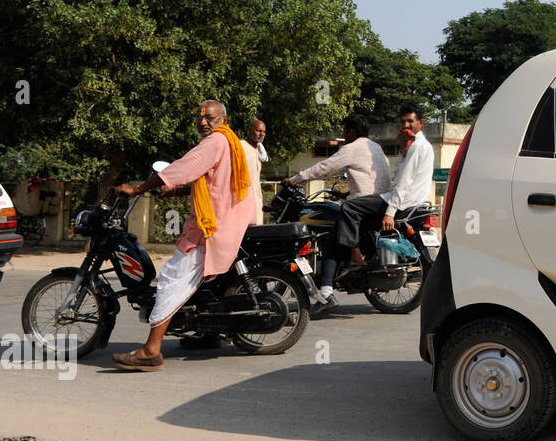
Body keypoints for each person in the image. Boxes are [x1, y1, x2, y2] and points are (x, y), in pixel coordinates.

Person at [110, 100, 255, 371]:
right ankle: (205, 333)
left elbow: (182, 167)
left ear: (223, 119)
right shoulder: (230, 141)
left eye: (209, 117)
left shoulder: (215, 141)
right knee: (192, 283)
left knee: (171, 280)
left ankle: (151, 351)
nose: (203, 122)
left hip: (209, 228)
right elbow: (212, 182)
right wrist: (177, 191)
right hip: (224, 221)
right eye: (199, 117)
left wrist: (137, 189)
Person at [320, 106, 434, 312]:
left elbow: (404, 183)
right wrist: (402, 149)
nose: (406, 125)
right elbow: (399, 178)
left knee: (349, 208)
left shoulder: (417, 146)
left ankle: (356, 256)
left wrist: (390, 212)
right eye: (403, 122)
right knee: (359, 219)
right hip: (409, 201)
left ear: (421, 123)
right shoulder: (412, 146)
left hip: (400, 201)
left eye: (410, 121)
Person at [285, 114, 391, 198]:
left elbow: (323, 167)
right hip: (380, 201)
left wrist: (293, 180)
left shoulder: (351, 148)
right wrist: (347, 194)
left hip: (362, 204)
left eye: (344, 132)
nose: (344, 136)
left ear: (351, 132)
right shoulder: (376, 147)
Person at [241, 119, 265, 225]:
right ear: (249, 131)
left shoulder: (258, 150)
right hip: (242, 200)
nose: (262, 134)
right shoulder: (241, 147)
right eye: (259, 131)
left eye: (264, 132)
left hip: (256, 199)